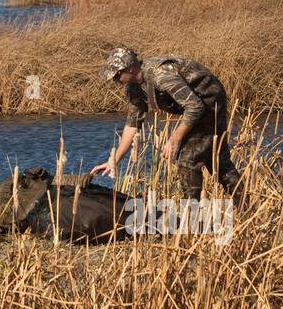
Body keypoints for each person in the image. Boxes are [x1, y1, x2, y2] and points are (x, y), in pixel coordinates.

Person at [89, 46, 244, 205]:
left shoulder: (161, 75)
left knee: (188, 160)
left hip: (210, 103)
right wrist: (114, 160)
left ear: (130, 68)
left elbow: (195, 106)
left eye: (117, 75)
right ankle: (246, 205)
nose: (114, 80)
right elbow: (133, 123)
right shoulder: (133, 87)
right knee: (216, 161)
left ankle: (191, 215)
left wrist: (174, 140)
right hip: (196, 106)